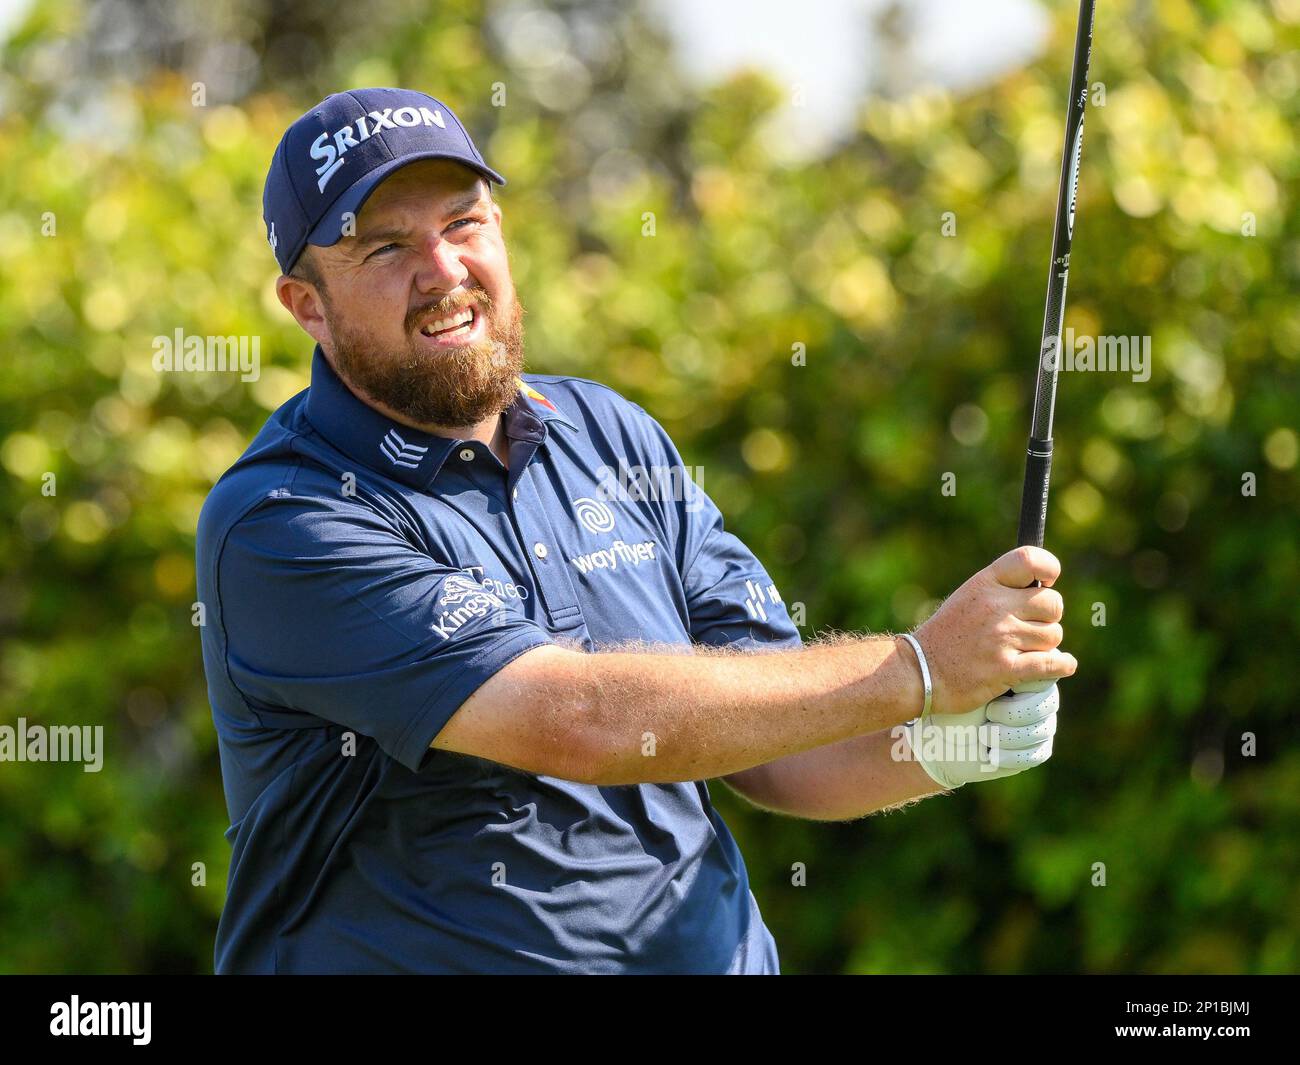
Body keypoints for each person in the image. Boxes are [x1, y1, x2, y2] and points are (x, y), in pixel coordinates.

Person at [196, 87, 1077, 974]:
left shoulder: (610, 432)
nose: (444, 271)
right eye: (386, 246)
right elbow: (575, 720)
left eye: (464, 223)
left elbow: (780, 740)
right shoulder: (283, 518)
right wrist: (918, 668)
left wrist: (946, 738)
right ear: (306, 305)